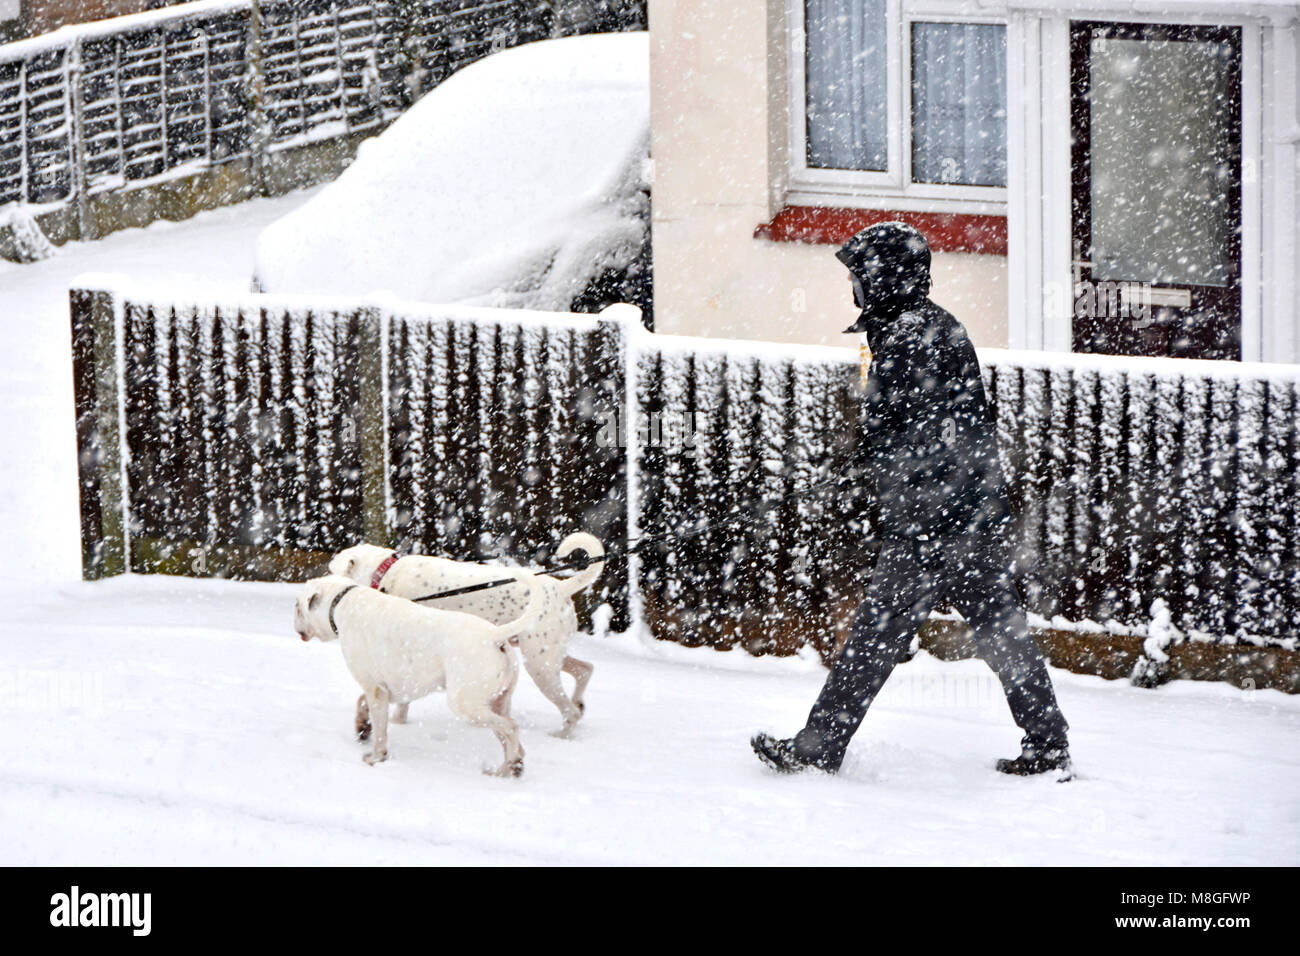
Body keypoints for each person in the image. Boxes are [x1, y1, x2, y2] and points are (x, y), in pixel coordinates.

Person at [751, 222, 1072, 778]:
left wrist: (868, 476)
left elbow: (916, 436)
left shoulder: (909, 337)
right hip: (964, 517)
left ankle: (819, 747)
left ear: (882, 277)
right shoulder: (923, 327)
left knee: (875, 638)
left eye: (858, 274)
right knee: (999, 629)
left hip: (933, 523)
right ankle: (1048, 742)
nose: (852, 285)